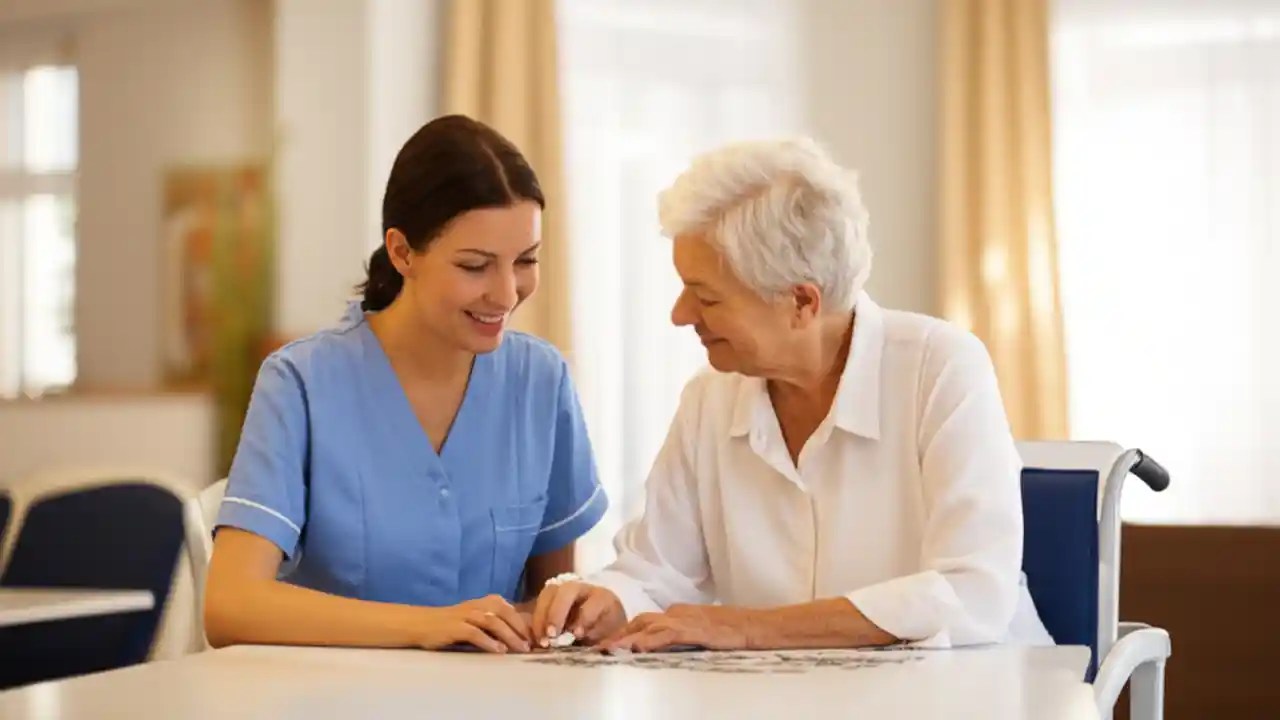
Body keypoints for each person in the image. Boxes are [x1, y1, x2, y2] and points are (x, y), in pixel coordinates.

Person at [532, 138, 1052, 652]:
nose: (680, 314)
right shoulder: (709, 400)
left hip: (967, 693)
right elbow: (655, 571)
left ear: (801, 302)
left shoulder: (940, 367)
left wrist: (750, 628)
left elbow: (972, 592)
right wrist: (608, 598)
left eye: (706, 296)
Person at [204, 115, 606, 654]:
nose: (507, 294)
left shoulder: (542, 381)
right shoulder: (301, 383)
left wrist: (569, 614)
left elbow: (549, 598)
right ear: (402, 252)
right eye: (475, 265)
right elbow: (231, 605)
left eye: (525, 261)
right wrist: (425, 627)